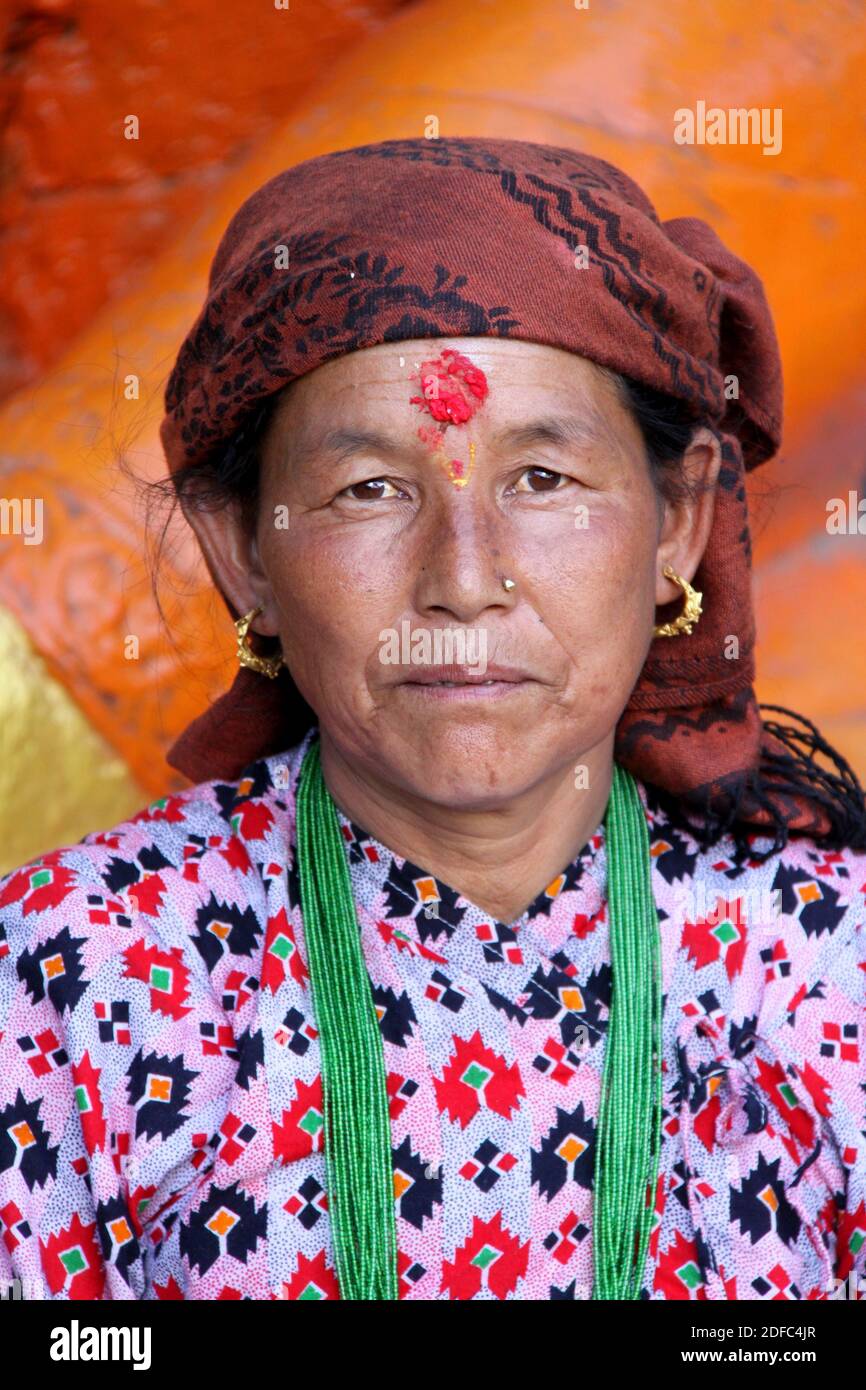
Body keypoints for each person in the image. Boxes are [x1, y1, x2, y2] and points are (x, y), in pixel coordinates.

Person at [1, 136, 864, 1302]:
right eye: (371, 489)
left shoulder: (825, 967)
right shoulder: (69, 976)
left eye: (541, 481)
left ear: (673, 521)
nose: (463, 579)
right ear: (244, 548)